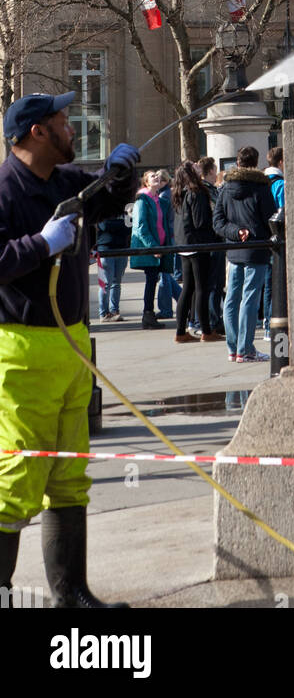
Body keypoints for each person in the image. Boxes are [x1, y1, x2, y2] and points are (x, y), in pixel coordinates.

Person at [0, 91, 138, 607]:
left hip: (72, 344)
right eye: (61, 119)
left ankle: (72, 596)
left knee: (69, 475)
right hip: (22, 348)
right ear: (37, 131)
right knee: (17, 477)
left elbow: (104, 196)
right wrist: (42, 245)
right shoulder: (4, 190)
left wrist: (120, 174)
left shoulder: (63, 182)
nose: (70, 125)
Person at [214, 146, 276, 364]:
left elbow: (218, 222)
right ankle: (246, 348)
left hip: (234, 249)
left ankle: (233, 348)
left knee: (232, 298)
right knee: (249, 298)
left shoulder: (225, 188)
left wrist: (236, 232)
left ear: (237, 163)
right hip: (256, 248)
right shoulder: (261, 187)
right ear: (256, 162)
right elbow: (271, 219)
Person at [171, 161, 222, 344]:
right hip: (198, 244)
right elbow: (201, 222)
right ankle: (206, 330)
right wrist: (215, 233)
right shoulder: (197, 192)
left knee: (188, 288)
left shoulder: (178, 193)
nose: (198, 165)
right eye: (194, 166)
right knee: (202, 288)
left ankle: (180, 331)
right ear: (192, 173)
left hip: (184, 244)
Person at [130, 170, 173, 329]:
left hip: (160, 247)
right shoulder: (142, 200)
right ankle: (148, 314)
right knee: (151, 280)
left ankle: (149, 314)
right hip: (149, 247)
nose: (156, 177)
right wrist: (153, 247)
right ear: (146, 183)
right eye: (152, 176)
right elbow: (141, 227)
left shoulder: (160, 201)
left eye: (157, 175)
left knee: (154, 280)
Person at [198, 156, 225, 334]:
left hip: (214, 241)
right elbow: (215, 213)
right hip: (213, 241)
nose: (216, 174)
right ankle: (214, 320)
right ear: (210, 172)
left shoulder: (210, 190)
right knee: (214, 284)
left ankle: (214, 318)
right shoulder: (207, 191)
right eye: (214, 170)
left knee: (215, 283)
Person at [260, 147, 285, 340]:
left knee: (267, 283)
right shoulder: (280, 184)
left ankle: (267, 324)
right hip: (277, 237)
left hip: (262, 235)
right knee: (276, 283)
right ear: (281, 162)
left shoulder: (261, 183)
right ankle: (272, 324)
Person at [155, 168, 180, 319]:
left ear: (164, 181)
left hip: (167, 237)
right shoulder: (167, 193)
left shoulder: (164, 196)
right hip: (171, 235)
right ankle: (184, 299)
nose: (157, 182)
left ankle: (166, 309)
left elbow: (163, 219)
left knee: (164, 275)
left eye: (159, 179)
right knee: (166, 275)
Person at [94, 212, 129, 322]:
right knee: (105, 283)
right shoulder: (102, 208)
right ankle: (104, 313)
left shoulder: (125, 209)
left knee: (116, 283)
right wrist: (121, 225)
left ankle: (114, 311)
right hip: (105, 249)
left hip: (122, 248)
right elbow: (104, 225)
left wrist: (116, 225)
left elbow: (129, 227)